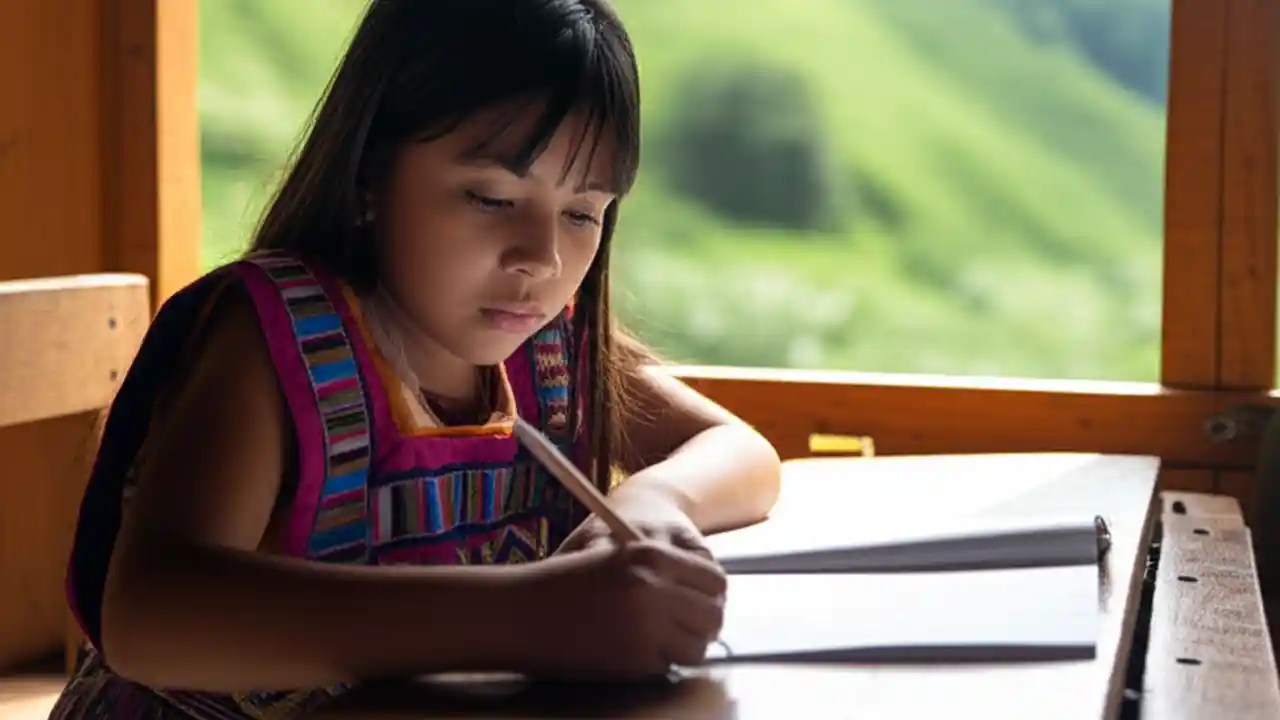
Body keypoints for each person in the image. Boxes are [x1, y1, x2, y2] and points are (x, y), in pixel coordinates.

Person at [50, 0, 782, 717]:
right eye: (492, 198)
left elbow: (739, 451)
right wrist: (529, 619)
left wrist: (652, 503)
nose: (543, 256)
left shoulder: (547, 348)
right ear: (370, 174)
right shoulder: (274, 343)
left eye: (583, 212)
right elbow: (153, 618)